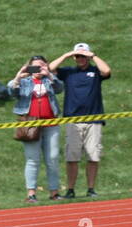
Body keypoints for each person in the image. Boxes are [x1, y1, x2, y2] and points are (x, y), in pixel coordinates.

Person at [49, 43, 113, 198]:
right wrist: (66, 55)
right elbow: (50, 68)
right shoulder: (68, 72)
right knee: (72, 157)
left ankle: (91, 189)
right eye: (78, 56)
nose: (80, 59)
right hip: (73, 120)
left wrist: (93, 56)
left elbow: (107, 70)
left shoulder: (95, 71)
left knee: (93, 156)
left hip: (94, 119)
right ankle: (70, 190)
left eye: (83, 56)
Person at [8, 56, 64, 203]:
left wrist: (50, 75)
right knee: (32, 159)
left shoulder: (49, 80)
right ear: (29, 67)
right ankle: (31, 193)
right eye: (35, 67)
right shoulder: (25, 81)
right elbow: (10, 91)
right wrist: (19, 76)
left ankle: (54, 192)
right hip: (30, 125)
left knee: (52, 158)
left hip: (51, 123)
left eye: (41, 66)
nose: (38, 69)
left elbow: (60, 88)